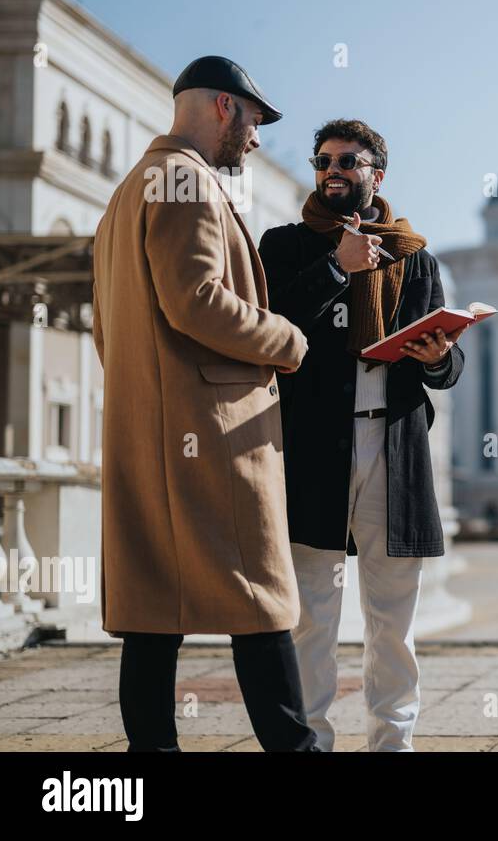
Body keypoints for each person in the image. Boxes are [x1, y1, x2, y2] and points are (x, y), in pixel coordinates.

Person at [91, 55, 318, 751]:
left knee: (153, 610)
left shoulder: (129, 188)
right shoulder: (184, 177)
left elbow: (107, 325)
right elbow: (194, 300)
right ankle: (296, 749)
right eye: (253, 122)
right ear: (225, 107)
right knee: (261, 597)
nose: (255, 139)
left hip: (149, 428)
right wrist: (286, 340)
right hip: (211, 432)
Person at [258, 119, 465, 752]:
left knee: (394, 618)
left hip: (395, 446)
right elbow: (270, 330)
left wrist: (433, 356)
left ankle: (392, 742)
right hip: (315, 448)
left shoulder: (415, 257)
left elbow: (448, 370)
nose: (332, 171)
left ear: (377, 173)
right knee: (312, 612)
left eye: (348, 160)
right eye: (322, 162)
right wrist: (335, 267)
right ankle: (310, 741)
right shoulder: (285, 245)